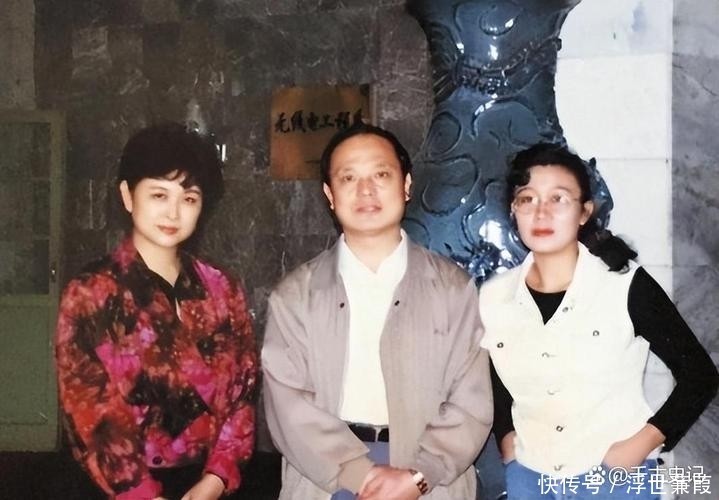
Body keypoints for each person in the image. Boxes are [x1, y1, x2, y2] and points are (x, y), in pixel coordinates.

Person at [261, 122, 493, 500]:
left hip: (429, 483)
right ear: (329, 195)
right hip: (326, 480)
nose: (366, 190)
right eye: (348, 177)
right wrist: (360, 475)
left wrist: (418, 476)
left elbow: (471, 402)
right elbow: (288, 408)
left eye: (381, 174)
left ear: (406, 185)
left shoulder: (454, 289)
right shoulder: (294, 297)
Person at [479, 143, 719, 499]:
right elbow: (496, 380)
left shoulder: (624, 285)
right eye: (527, 199)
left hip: (614, 479)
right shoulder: (494, 296)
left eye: (558, 199)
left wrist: (641, 443)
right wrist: (507, 440)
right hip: (531, 478)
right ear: (513, 210)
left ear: (584, 212)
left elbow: (699, 375)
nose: (541, 213)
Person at [55, 123, 258, 500]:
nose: (174, 212)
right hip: (120, 487)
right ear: (128, 195)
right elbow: (90, 413)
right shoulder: (92, 292)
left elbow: (242, 394)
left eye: (189, 198)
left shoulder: (222, 288)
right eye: (159, 194)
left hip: (207, 485)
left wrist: (215, 479)